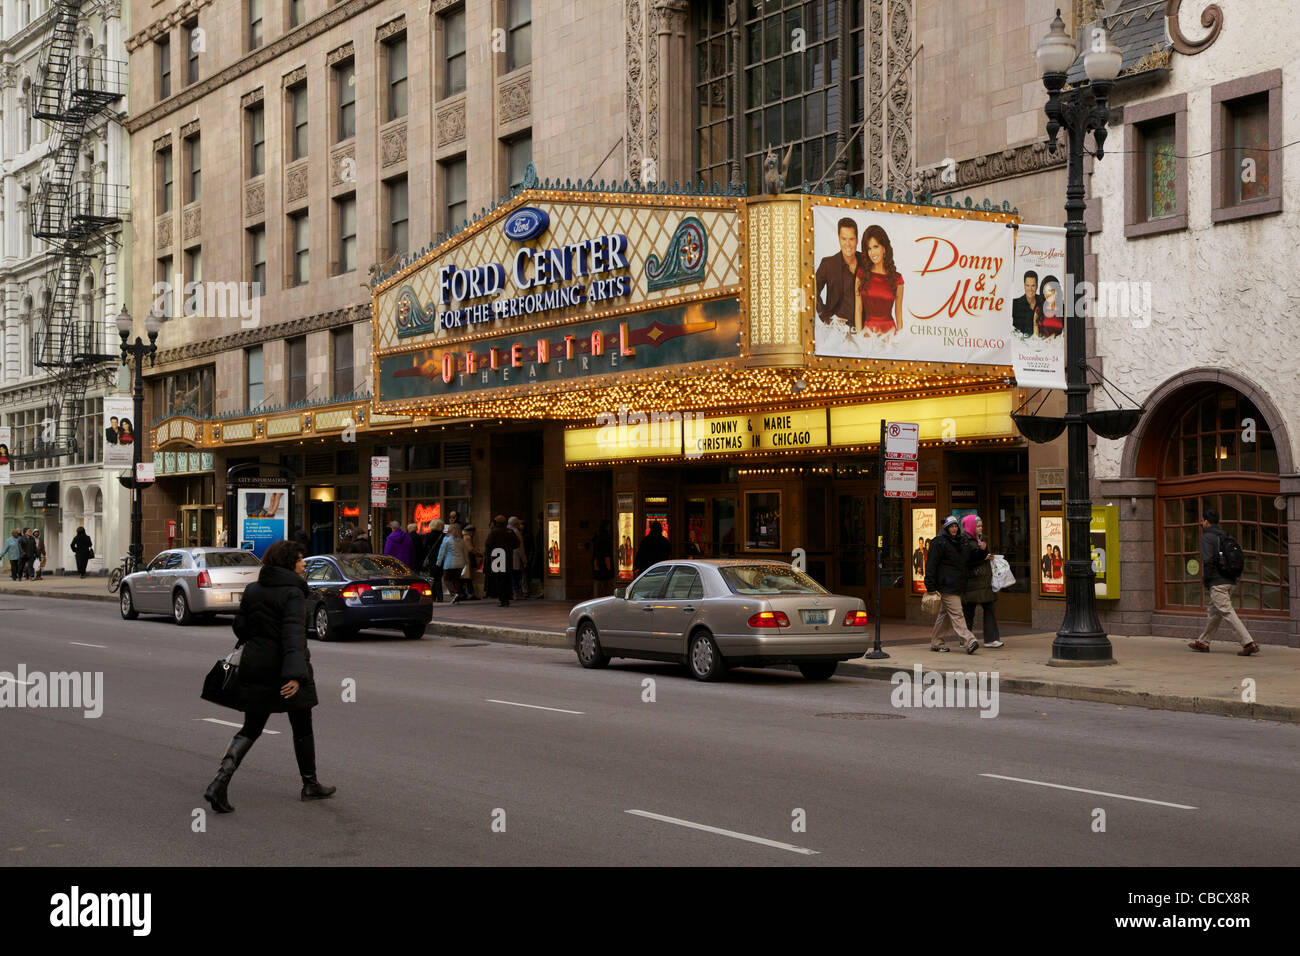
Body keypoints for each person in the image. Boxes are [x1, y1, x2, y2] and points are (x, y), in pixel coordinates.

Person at [203, 540, 334, 814]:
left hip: (256, 664)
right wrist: (296, 675)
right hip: (285, 669)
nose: (303, 564)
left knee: (251, 727)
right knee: (302, 726)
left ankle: (219, 781)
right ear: (288, 563)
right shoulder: (293, 594)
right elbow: (294, 637)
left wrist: (261, 639)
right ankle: (309, 784)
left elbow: (240, 627)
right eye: (299, 559)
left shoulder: (253, 589)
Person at [1189, 509, 1258, 655]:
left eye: (1202, 520)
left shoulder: (1207, 536)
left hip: (1217, 581)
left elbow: (1208, 561)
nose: (1202, 523)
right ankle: (1203, 642)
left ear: (1206, 521)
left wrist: (1207, 581)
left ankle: (1248, 642)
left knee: (1226, 611)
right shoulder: (1225, 535)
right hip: (1230, 580)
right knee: (1214, 612)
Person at [924, 515, 986, 654]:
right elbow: (931, 564)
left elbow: (971, 558)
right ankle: (969, 641)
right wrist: (930, 585)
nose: (954, 529)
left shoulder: (961, 542)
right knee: (958, 614)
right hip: (946, 585)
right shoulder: (939, 542)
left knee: (945, 615)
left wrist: (982, 551)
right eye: (951, 526)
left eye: (955, 526)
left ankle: (936, 641)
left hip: (957, 584)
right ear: (946, 528)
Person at [960, 515, 1003, 648]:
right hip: (972, 581)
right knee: (969, 611)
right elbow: (967, 559)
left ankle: (990, 639)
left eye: (981, 526)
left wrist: (987, 553)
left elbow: (982, 555)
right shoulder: (964, 541)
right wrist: (982, 552)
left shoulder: (981, 540)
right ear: (971, 527)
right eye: (978, 526)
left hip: (984, 580)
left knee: (989, 607)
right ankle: (966, 639)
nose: (980, 528)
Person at [854, 224, 903, 335]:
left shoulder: (897, 279)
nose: (872, 253)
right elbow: (858, 308)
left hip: (890, 334)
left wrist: (900, 339)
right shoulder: (861, 275)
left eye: (875, 247)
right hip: (868, 334)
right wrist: (859, 336)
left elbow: (898, 313)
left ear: (884, 248)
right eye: (869, 249)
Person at [815, 217, 861, 325]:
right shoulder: (828, 264)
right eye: (844, 239)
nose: (847, 244)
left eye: (851, 239)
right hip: (836, 331)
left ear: (857, 240)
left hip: (864, 329)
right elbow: (812, 291)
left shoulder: (866, 261)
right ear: (839, 239)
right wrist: (826, 317)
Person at [485, 516, 517, 607]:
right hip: (507, 558)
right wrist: (509, 548)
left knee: (499, 579)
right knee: (507, 579)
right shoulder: (510, 532)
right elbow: (517, 543)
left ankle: (503, 599)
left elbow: (488, 544)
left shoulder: (494, 532)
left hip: (497, 558)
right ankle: (507, 598)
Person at [436, 521, 465, 603]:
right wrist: (466, 562)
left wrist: (438, 562)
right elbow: (465, 552)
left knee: (446, 579)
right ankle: (457, 597)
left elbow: (442, 552)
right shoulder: (461, 540)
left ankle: (454, 593)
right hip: (460, 564)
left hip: (449, 564)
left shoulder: (446, 539)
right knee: (456, 580)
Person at [1012, 270, 1044, 337]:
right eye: (1027, 285)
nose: (1030, 289)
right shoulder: (1015, 304)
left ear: (1037, 286)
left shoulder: (1043, 301)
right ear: (1024, 286)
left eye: (1033, 286)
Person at [591, 519, 614, 598]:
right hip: (605, 562)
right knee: (606, 583)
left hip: (597, 562)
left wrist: (595, 564)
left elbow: (594, 551)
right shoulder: (607, 536)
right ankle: (606, 598)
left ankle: (597, 598)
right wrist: (609, 566)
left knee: (598, 582)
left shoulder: (597, 535)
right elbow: (607, 552)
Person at [421, 519, 444, 601]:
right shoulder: (443, 536)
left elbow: (424, 548)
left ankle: (433, 597)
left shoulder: (428, 536)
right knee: (439, 577)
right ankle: (440, 597)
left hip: (432, 558)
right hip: (441, 559)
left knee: (432, 577)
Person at [507, 516, 528, 600]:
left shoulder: (505, 531)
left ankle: (510, 593)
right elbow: (520, 547)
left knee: (510, 576)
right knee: (516, 576)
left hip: (506, 557)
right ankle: (517, 594)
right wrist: (524, 559)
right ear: (516, 524)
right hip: (515, 557)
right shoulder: (516, 532)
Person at [460, 524, 479, 600]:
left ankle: (464, 593)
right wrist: (478, 553)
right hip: (467, 560)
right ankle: (469, 593)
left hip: (464, 559)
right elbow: (470, 549)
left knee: (466, 578)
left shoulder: (464, 536)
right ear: (471, 531)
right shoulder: (467, 537)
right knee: (467, 578)